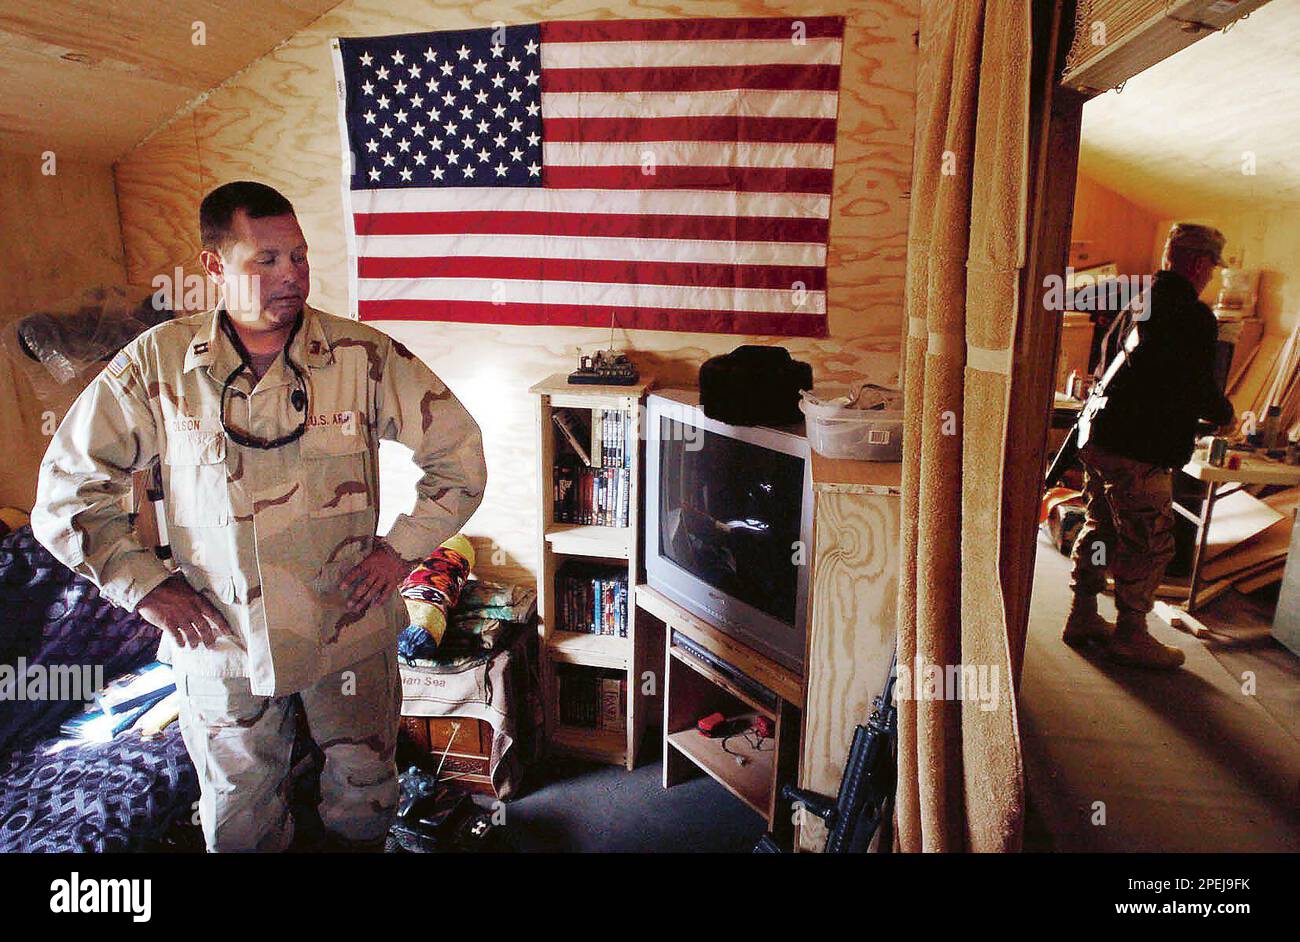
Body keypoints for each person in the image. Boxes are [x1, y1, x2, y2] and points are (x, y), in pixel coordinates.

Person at [32, 181, 487, 851]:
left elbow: (460, 456)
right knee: (239, 813)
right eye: (266, 259)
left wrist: (399, 552)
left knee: (365, 793)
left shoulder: (361, 357)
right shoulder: (157, 366)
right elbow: (66, 493)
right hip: (223, 640)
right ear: (215, 266)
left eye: (299, 257)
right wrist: (148, 588)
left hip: (345, 629)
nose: (292, 277)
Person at [1064, 223, 1234, 670]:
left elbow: (1108, 363)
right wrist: (1224, 412)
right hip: (1138, 449)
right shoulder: (1193, 316)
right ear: (1198, 263)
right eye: (1211, 268)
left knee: (1101, 527)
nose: (1210, 276)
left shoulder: (1137, 299)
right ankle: (1131, 634)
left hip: (1099, 437)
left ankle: (1082, 615)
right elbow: (1196, 386)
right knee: (1149, 542)